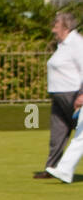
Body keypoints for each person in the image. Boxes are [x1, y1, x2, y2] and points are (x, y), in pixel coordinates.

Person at [36, 12, 83, 179]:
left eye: (56, 25)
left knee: (81, 134)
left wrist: (82, 93)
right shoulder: (62, 45)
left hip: (73, 94)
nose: (53, 29)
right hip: (58, 95)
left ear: (66, 27)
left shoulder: (76, 42)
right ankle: (52, 168)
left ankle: (62, 169)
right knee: (57, 133)